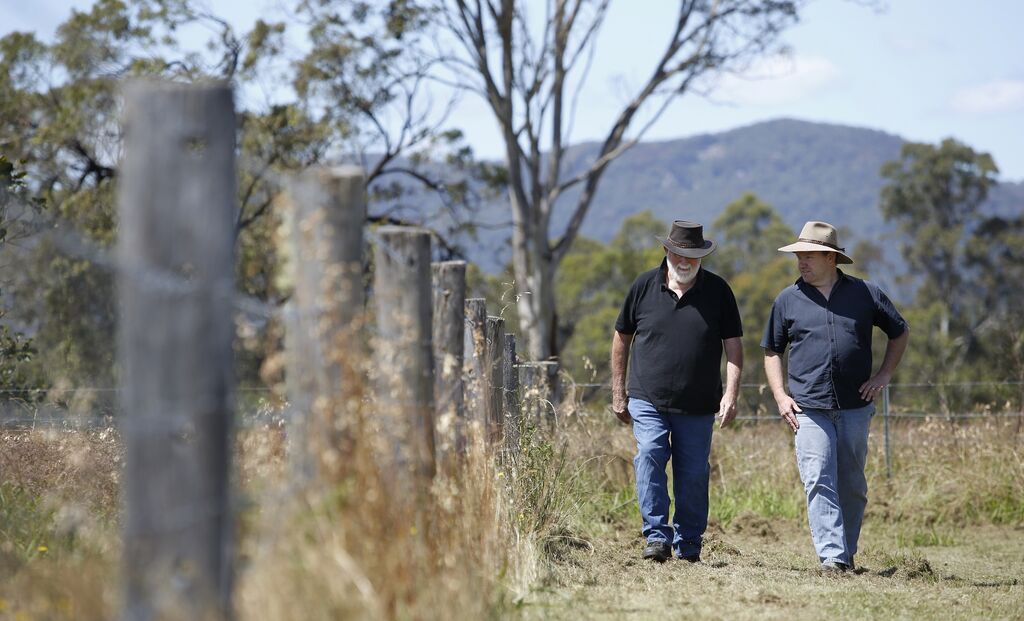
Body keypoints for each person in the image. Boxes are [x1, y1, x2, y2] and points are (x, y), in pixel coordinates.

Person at [761, 221, 909, 573]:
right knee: (818, 477)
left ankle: (846, 551)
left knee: (852, 485)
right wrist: (780, 395)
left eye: (809, 256)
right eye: (799, 256)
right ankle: (833, 557)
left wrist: (883, 376)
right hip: (808, 407)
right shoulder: (787, 299)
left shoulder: (866, 294)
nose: (801, 262)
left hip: (856, 406)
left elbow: (899, 332)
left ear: (830, 258)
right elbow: (771, 351)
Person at [611, 220, 743, 563]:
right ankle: (657, 536)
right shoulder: (643, 286)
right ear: (666, 251)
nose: (685, 261)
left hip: (699, 403)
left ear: (702, 257)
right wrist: (618, 391)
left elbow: (734, 347)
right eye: (678, 254)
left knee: (694, 472)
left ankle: (689, 543)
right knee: (650, 454)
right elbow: (621, 338)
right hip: (647, 397)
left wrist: (731, 394)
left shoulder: (719, 291)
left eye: (692, 256)